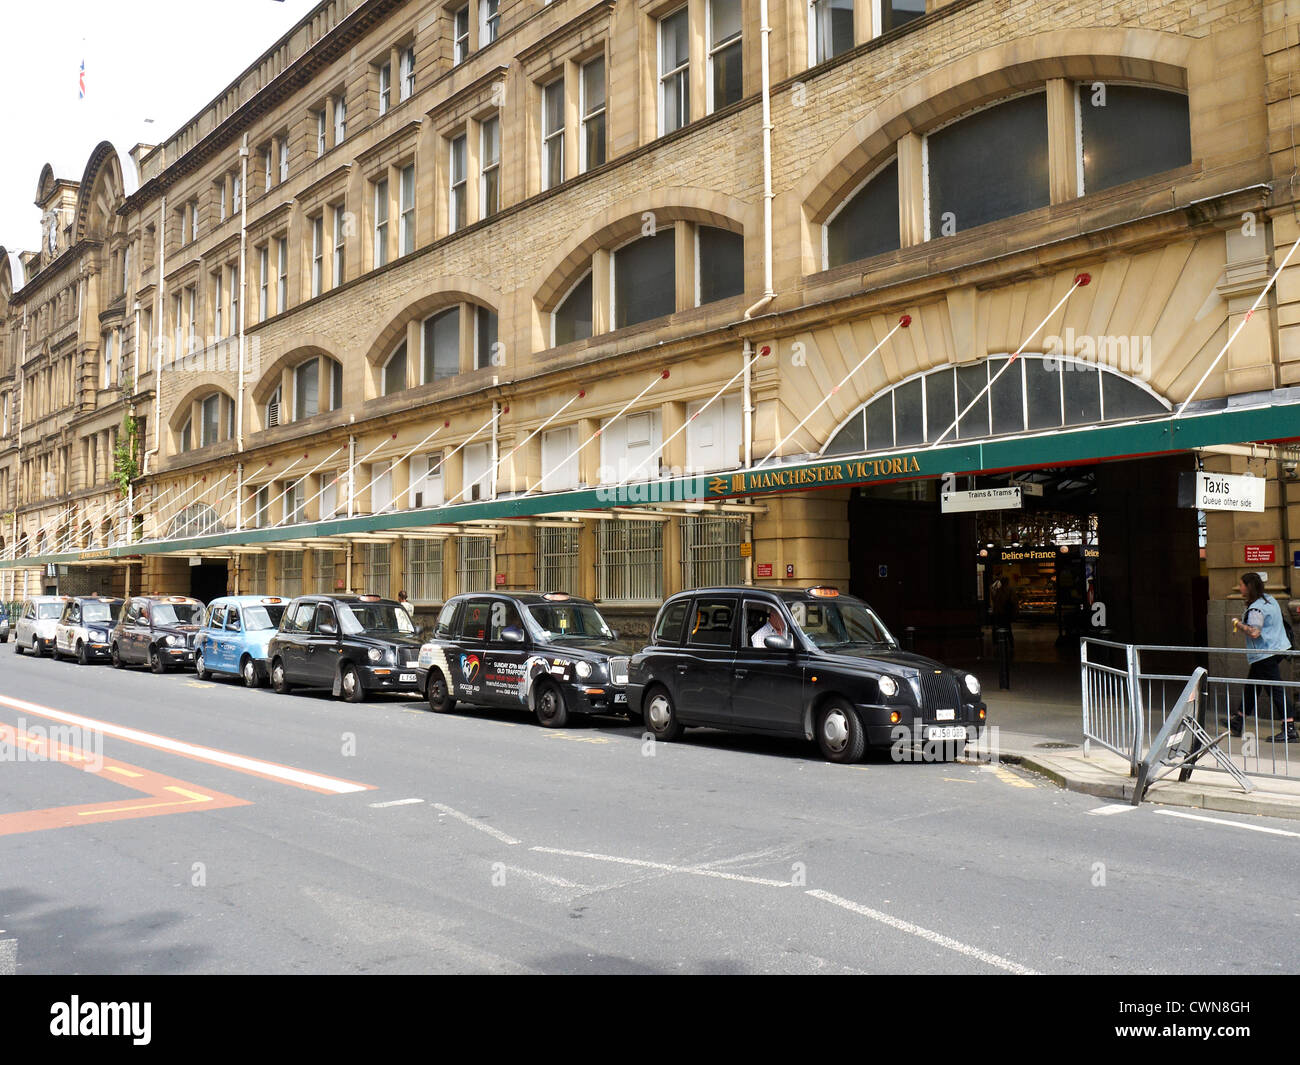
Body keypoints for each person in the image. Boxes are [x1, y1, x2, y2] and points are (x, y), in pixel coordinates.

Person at [1231, 571, 1296, 742]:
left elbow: (1254, 632)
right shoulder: (1269, 599)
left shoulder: (1256, 609)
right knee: (1252, 687)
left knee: (1275, 689)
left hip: (1264, 654)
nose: (1239, 588)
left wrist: (1238, 624)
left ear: (1248, 586)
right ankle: (1238, 721)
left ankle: (1289, 728)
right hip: (1277, 648)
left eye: (1241, 585)